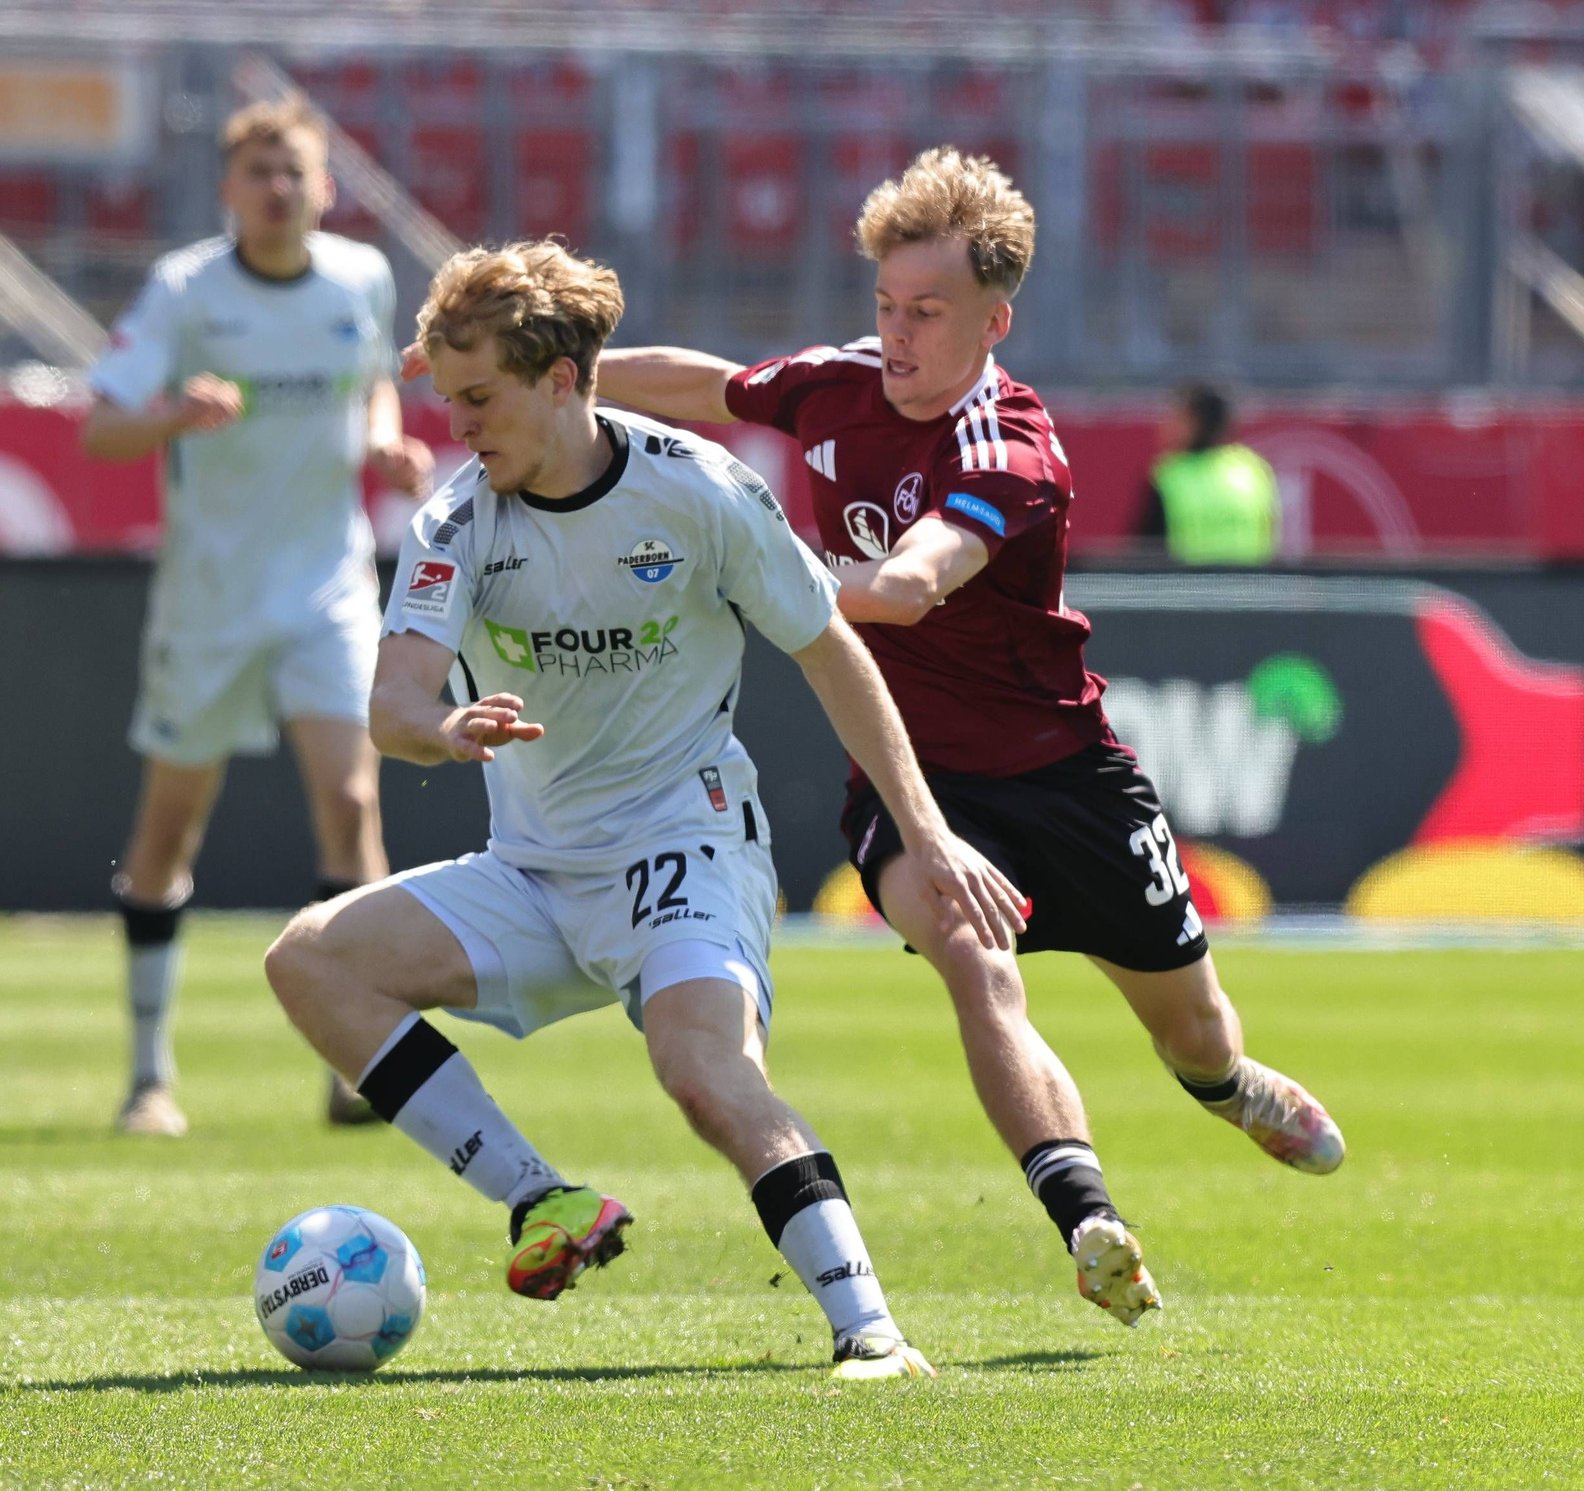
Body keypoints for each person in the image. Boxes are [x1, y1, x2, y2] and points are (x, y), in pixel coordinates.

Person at [593, 147, 1344, 1329]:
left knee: (1193, 1035)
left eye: (925, 313)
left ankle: (1228, 1088)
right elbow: (706, 385)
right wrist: (554, 378)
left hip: (1067, 777)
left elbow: (900, 588)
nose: (893, 334)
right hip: (915, 783)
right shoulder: (835, 382)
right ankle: (1087, 1217)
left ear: (992, 320)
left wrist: (742, 574)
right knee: (972, 959)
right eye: (884, 306)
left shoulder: (1012, 446)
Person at [265, 240, 1027, 1378]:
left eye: (480, 399)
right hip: (531, 867)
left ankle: (866, 1329)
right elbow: (392, 706)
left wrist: (926, 831)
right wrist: (441, 731)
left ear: (562, 380)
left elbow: (832, 654)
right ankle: (539, 1198)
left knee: (702, 1072)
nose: (459, 424)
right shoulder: (457, 521)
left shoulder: (701, 490)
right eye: (449, 397)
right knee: (308, 961)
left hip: (686, 844)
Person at [83, 99, 434, 1136]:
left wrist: (382, 442)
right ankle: (148, 1074)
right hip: (212, 598)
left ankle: (356, 1063)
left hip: (327, 589)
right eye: (259, 173)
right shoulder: (186, 291)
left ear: (324, 187)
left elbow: (372, 384)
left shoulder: (358, 279)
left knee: (353, 805)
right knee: (168, 823)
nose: (278, 189)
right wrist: (168, 415)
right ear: (230, 190)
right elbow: (100, 429)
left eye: (295, 172)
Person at [1137, 383, 1282, 565]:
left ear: (1194, 423)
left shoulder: (1170, 476)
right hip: (1251, 589)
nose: (1167, 426)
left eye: (1178, 418)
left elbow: (1143, 557)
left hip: (1188, 590)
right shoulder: (1255, 471)